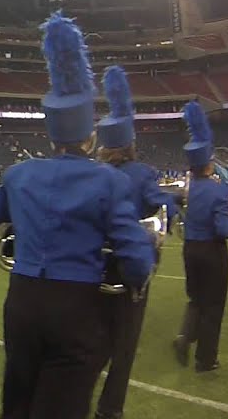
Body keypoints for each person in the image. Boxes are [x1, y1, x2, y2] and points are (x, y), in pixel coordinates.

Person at [0, 12, 153, 419]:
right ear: (91, 136)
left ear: (52, 133)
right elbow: (136, 257)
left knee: (17, 401)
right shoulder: (108, 181)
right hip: (76, 306)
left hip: (21, 302)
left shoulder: (19, 174)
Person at [93, 66, 180, 419]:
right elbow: (164, 206)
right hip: (129, 269)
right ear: (130, 144)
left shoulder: (91, 172)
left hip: (89, 268)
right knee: (124, 345)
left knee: (90, 342)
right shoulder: (142, 173)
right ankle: (110, 409)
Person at [172, 101, 228, 373]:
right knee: (214, 305)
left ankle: (185, 335)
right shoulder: (218, 192)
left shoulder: (188, 190)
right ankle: (206, 359)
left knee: (196, 298)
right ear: (209, 162)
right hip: (212, 251)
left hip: (190, 249)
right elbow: (222, 229)